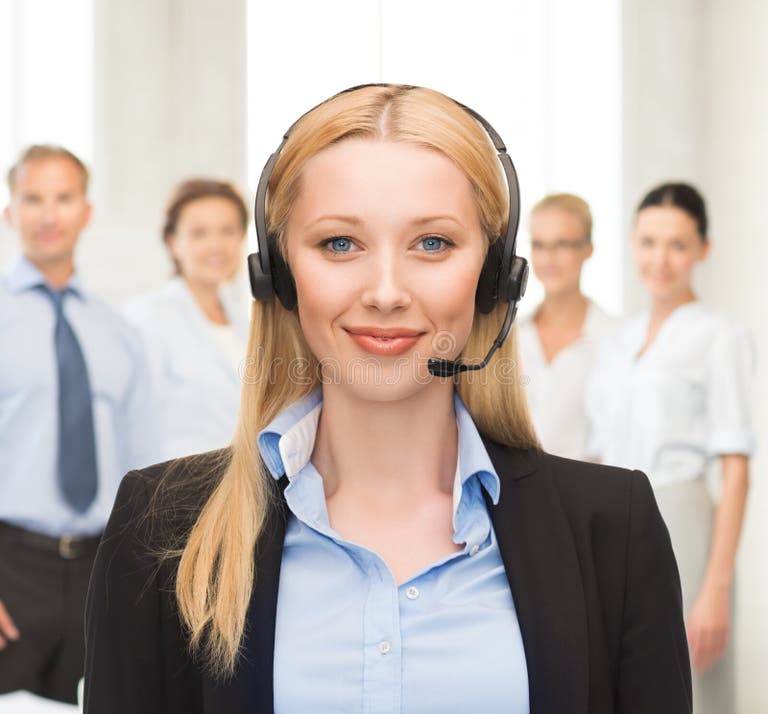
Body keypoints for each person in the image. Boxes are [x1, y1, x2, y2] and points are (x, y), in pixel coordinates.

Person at [84, 85, 691, 713]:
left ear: (494, 279)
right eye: (339, 243)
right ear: (279, 274)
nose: (385, 291)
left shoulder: (614, 530)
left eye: (432, 243)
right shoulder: (159, 528)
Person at [585, 182, 754, 714]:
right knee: (617, 684)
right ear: (633, 244)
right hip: (612, 523)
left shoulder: (719, 337)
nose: (660, 259)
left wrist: (716, 588)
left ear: (702, 249)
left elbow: (735, 469)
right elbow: (594, 454)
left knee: (690, 689)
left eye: (677, 245)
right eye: (649, 242)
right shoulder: (615, 340)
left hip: (683, 522)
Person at [0, 145, 159, 704]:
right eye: (33, 198)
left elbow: (142, 468)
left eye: (64, 198)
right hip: (10, 567)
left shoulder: (119, 332)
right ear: (9, 212)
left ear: (86, 212)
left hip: (100, 569)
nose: (49, 214)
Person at [124, 179, 249, 460]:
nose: (216, 245)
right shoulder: (149, 316)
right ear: (173, 243)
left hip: (242, 489)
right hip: (175, 491)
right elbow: (137, 424)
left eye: (227, 231)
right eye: (199, 233)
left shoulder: (247, 325)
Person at [518, 194, 614, 459]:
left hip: (588, 494)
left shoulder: (616, 341)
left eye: (562, 244)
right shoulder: (508, 338)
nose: (549, 258)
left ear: (588, 249)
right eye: (539, 245)